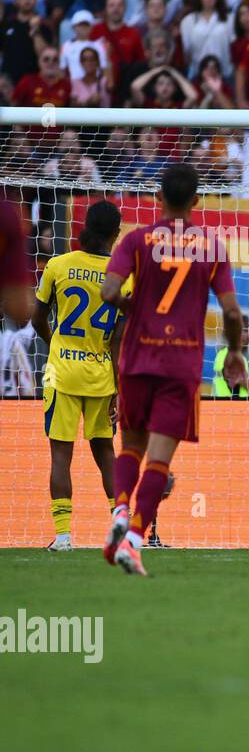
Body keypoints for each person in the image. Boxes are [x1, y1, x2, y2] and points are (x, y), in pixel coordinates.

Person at [100, 163, 247, 575]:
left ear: (158, 198)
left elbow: (108, 291)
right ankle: (133, 540)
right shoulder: (212, 247)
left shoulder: (135, 240)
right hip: (180, 365)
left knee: (130, 446)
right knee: (159, 460)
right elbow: (232, 313)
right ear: (197, 200)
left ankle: (120, 508)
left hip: (137, 358)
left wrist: (131, 305)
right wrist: (234, 352)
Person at [33, 201, 124, 551]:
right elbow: (118, 341)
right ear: (116, 234)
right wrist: (118, 387)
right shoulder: (123, 278)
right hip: (101, 374)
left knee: (61, 454)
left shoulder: (58, 265)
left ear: (84, 227)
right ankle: (120, 526)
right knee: (106, 453)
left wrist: (56, 343)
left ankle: (63, 536)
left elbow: (38, 318)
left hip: (62, 373)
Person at [212, 314, 249, 396]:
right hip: (224, 403)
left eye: (245, 330)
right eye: (238, 330)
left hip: (238, 404)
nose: (242, 335)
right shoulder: (224, 355)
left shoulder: (242, 358)